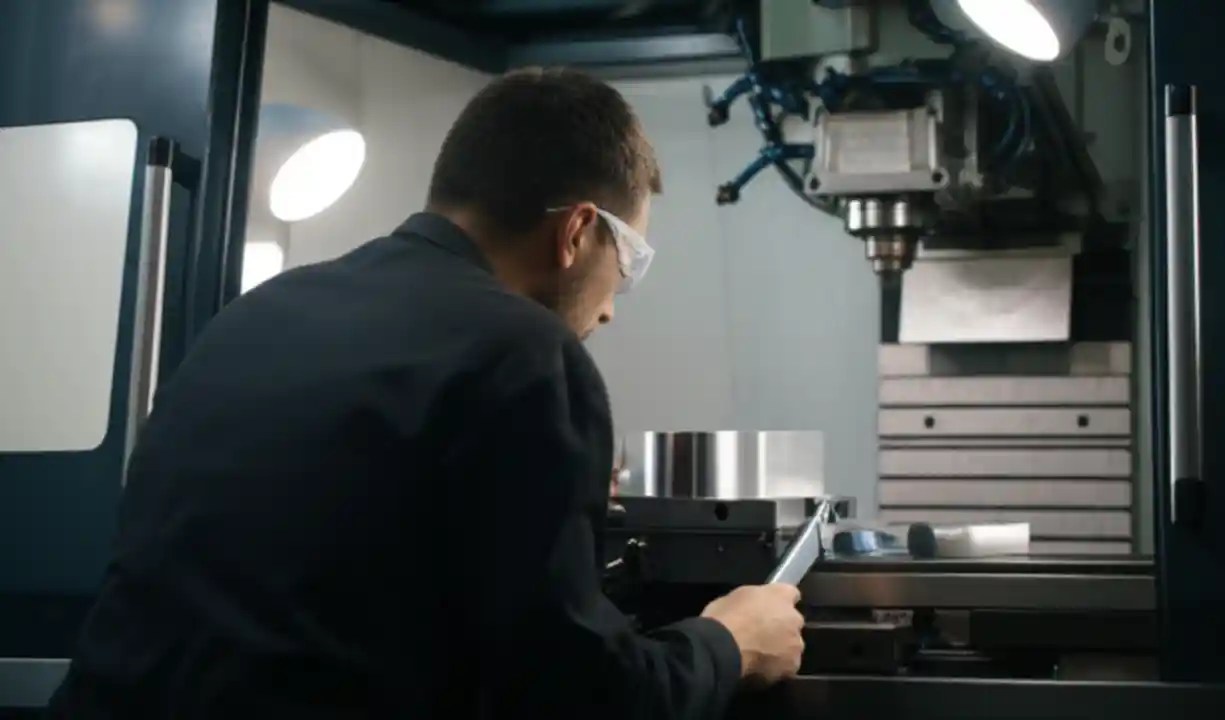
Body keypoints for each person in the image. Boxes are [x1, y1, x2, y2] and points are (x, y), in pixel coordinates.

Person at [47, 68, 804, 719]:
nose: (610, 307)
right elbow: (576, 698)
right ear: (577, 232)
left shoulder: (259, 312)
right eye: (628, 262)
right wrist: (728, 644)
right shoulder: (526, 352)